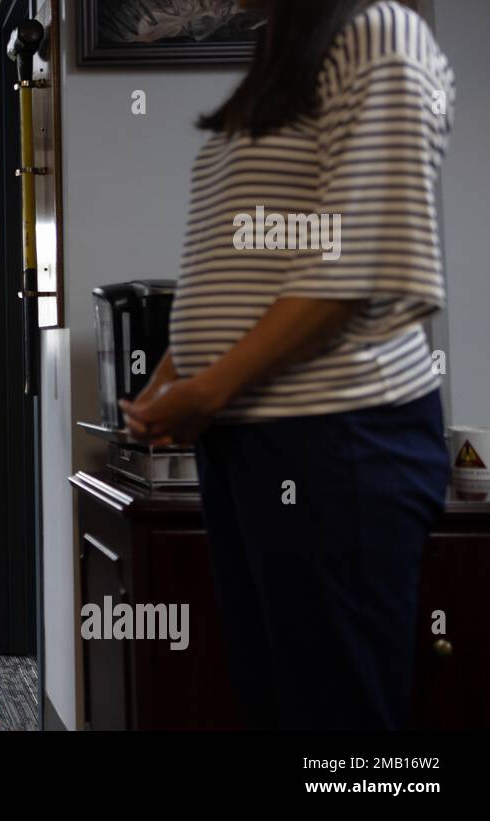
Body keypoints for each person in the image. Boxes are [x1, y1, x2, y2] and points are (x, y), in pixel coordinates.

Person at [122, 0, 454, 730]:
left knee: (340, 726)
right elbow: (241, 270)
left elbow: (361, 260)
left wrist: (207, 386)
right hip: (251, 439)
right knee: (279, 704)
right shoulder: (283, 62)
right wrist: (174, 376)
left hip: (338, 433)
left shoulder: (381, 35)